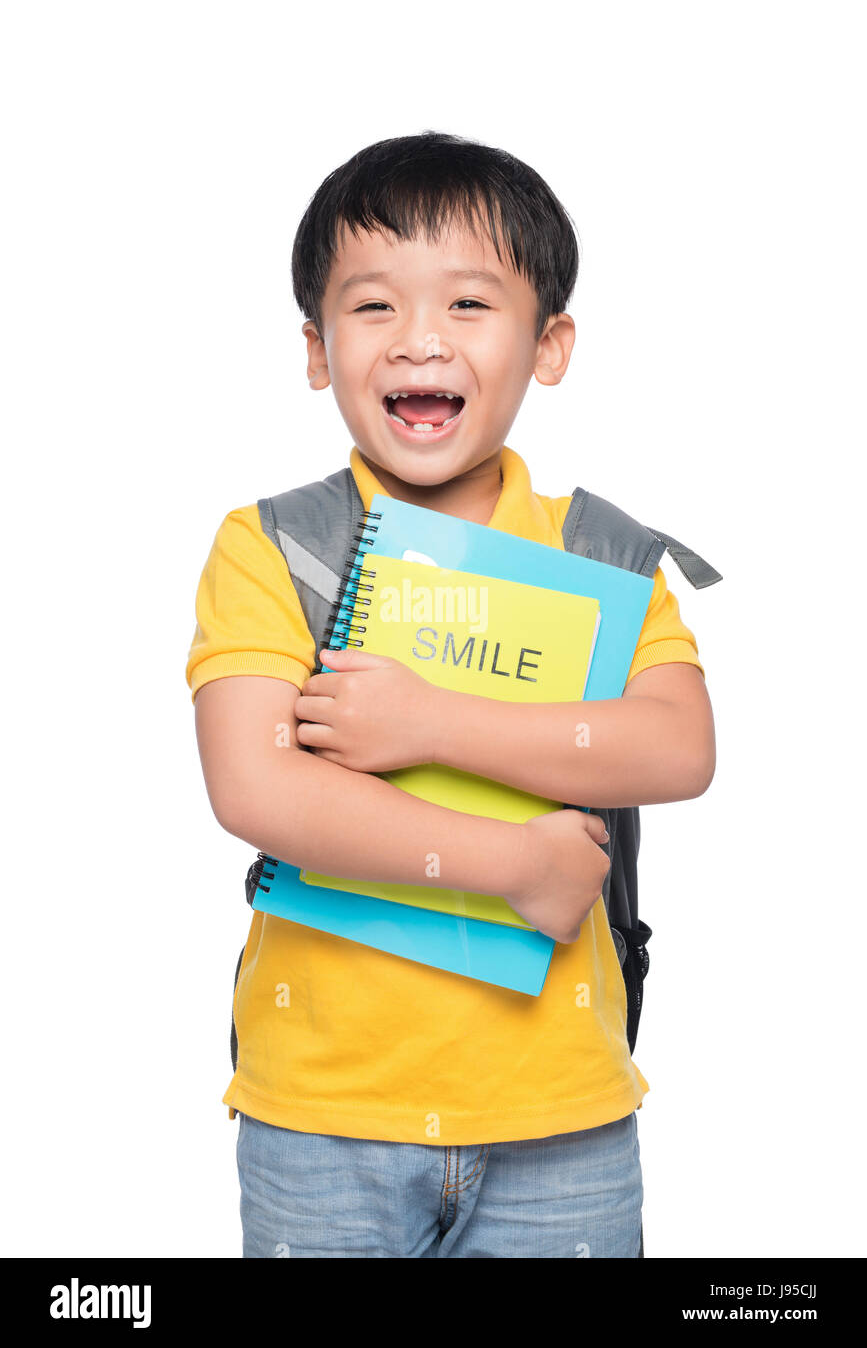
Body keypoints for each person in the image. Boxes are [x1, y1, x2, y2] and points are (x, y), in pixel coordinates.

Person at [186, 130, 716, 1258]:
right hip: (319, 1116)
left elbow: (677, 750)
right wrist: (512, 863)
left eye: (470, 304)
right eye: (373, 307)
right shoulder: (275, 545)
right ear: (318, 350)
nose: (420, 338)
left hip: (562, 1115)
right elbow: (250, 782)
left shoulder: (601, 551)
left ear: (551, 343)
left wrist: (430, 722)